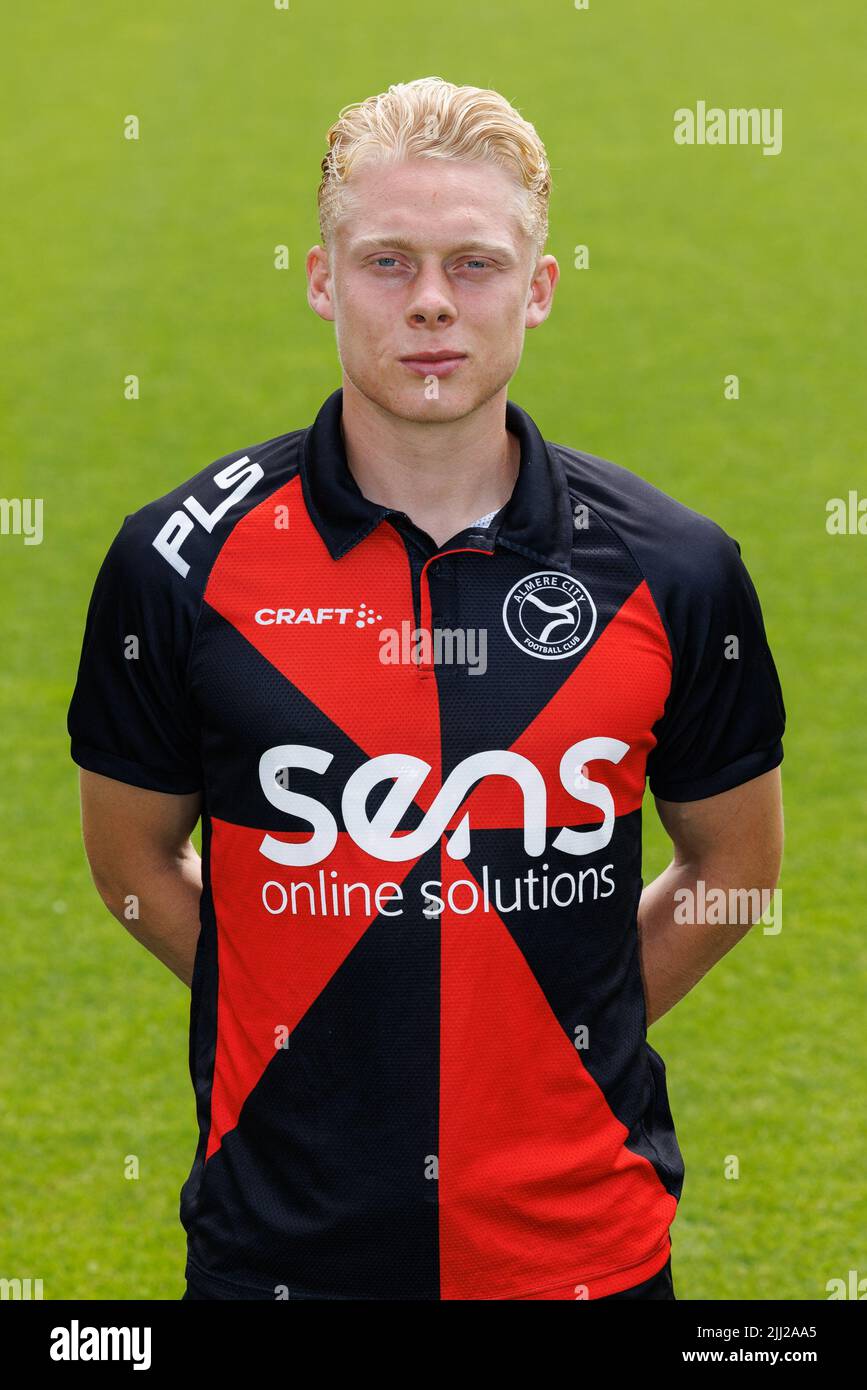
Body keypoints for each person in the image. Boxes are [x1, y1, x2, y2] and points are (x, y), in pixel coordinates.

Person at [67, 76, 785, 1301]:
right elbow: (131, 861)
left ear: (540, 289)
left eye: (476, 263)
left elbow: (736, 871)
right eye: (388, 263)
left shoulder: (678, 568)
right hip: (279, 1252)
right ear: (320, 279)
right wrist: (320, 1015)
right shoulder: (177, 563)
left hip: (583, 1255)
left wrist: (549, 1024)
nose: (435, 304)